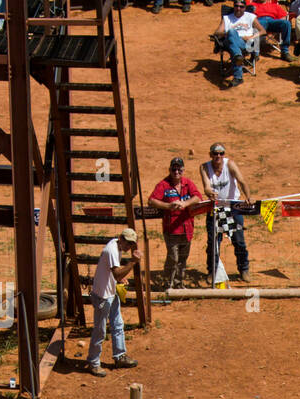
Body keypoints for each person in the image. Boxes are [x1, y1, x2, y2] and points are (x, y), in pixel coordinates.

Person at [86, 228, 140, 377]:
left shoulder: (117, 245)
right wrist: (133, 262)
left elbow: (113, 272)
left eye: (131, 244)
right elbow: (116, 274)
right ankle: (93, 362)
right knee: (100, 330)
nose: (128, 246)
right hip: (102, 296)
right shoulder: (111, 250)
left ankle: (120, 356)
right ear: (120, 238)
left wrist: (119, 278)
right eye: (127, 242)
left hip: (111, 292)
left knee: (117, 324)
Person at [148, 157, 205, 290]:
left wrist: (185, 203)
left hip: (187, 228)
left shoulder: (188, 183)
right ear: (170, 170)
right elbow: (151, 201)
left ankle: (179, 283)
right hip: (171, 229)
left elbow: (198, 197)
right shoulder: (163, 184)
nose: (176, 171)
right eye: (174, 169)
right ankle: (167, 282)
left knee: (183, 259)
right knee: (173, 257)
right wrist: (168, 206)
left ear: (183, 170)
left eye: (179, 169)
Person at [199, 143, 252, 282]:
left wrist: (248, 196)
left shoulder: (230, 165)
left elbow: (242, 181)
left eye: (221, 153)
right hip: (215, 208)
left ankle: (244, 269)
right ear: (210, 155)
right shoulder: (204, 167)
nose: (218, 156)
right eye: (215, 153)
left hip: (233, 208)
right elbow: (206, 186)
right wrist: (209, 192)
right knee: (213, 242)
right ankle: (213, 271)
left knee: (239, 240)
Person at [214, 2, 262, 88]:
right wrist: (227, 33)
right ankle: (238, 60)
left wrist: (251, 36)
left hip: (244, 42)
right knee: (232, 33)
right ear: (233, 6)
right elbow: (217, 32)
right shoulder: (227, 18)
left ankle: (238, 73)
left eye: (241, 6)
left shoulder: (250, 17)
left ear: (245, 7)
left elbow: (262, 31)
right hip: (228, 41)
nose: (238, 8)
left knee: (234, 47)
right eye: (236, 6)